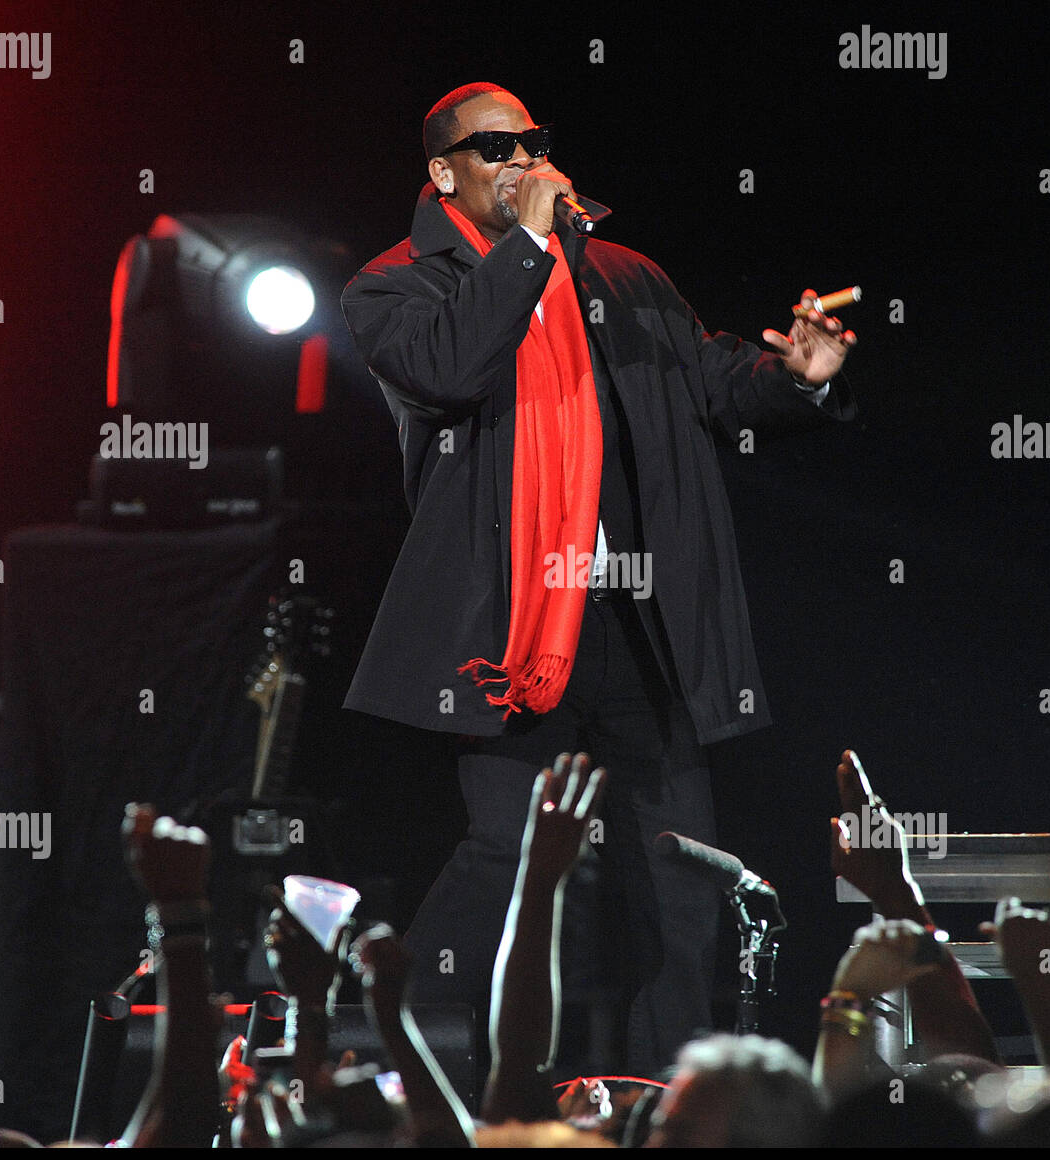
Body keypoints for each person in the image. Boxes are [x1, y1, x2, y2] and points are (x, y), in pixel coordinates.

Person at [339, 82, 856, 1075]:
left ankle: (667, 1104)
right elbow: (448, 370)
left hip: (640, 630)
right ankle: (402, 1059)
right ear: (442, 172)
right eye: (495, 148)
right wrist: (530, 251)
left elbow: (713, 381)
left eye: (532, 142)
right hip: (519, 634)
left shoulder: (624, 276)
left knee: (681, 886)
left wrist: (800, 375)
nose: (521, 159)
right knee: (510, 862)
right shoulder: (395, 286)